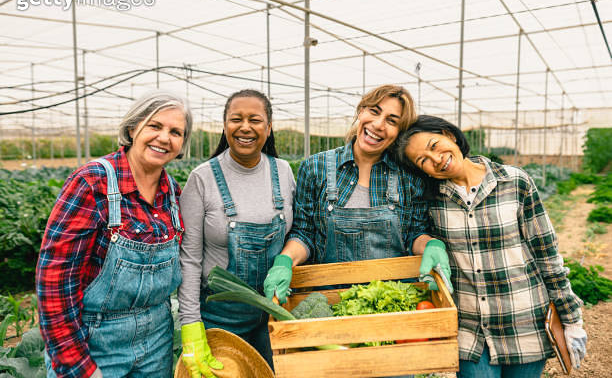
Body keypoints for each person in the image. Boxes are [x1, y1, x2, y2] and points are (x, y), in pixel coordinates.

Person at [396, 115, 587, 378]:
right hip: (470, 329)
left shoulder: (515, 181)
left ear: (448, 134)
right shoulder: (432, 199)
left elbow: (547, 254)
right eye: (423, 161)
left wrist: (572, 318)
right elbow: (415, 236)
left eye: (433, 145)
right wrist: (428, 243)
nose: (436, 159)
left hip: (524, 322)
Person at [37, 91, 192, 378]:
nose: (164, 138)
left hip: (157, 339)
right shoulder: (91, 182)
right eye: (154, 126)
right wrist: (74, 363)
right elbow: (55, 280)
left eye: (175, 132)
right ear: (133, 128)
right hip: (95, 341)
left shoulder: (173, 193)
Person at [263, 84, 452, 306]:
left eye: (392, 121)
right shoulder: (316, 167)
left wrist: (431, 244)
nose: (378, 125)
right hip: (330, 301)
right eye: (374, 111)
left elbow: (414, 235)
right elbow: (305, 234)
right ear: (361, 111)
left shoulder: (409, 176)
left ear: (399, 133)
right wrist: (285, 260)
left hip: (393, 302)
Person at [178, 89, 295, 377]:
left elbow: (298, 232)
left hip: (272, 314)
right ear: (225, 125)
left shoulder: (283, 171)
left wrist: (285, 263)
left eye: (255, 119)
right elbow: (190, 260)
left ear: (268, 128)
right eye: (236, 119)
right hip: (219, 319)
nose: (245, 127)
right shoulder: (202, 178)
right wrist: (190, 323)